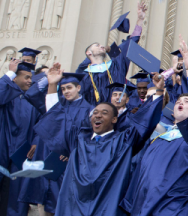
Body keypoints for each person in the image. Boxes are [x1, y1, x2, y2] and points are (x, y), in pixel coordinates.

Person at [121, 37, 188, 216]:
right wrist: (159, 91)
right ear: (172, 111)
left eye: (187, 101)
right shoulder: (159, 132)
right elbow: (142, 125)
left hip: (174, 207)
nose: (181, 102)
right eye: (179, 101)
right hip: (143, 203)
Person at [33, 80, 163, 215]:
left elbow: (145, 122)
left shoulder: (124, 141)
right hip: (74, 205)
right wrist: (53, 84)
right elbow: (56, 119)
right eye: (95, 112)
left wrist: (159, 91)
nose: (98, 115)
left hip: (106, 205)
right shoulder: (77, 139)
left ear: (114, 119)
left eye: (104, 112)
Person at [19, 66, 92, 215]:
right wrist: (51, 82)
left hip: (70, 163)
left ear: (79, 87)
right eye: (63, 88)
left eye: (69, 88)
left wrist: (73, 151)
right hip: (50, 159)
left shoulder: (90, 110)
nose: (66, 91)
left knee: (63, 202)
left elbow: (89, 138)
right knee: (44, 201)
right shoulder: (60, 106)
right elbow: (44, 100)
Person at [76, 2, 145, 105]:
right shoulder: (85, 75)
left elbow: (130, 43)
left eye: (101, 45)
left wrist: (140, 19)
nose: (101, 46)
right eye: (97, 45)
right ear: (88, 53)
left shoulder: (116, 66)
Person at [0, 60, 42, 216]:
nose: (30, 81)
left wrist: (36, 142)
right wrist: (9, 73)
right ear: (14, 79)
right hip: (2, 150)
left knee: (15, 198)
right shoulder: (5, 98)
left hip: (21, 156)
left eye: (30, 77)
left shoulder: (33, 101)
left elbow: (42, 125)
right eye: (26, 77)